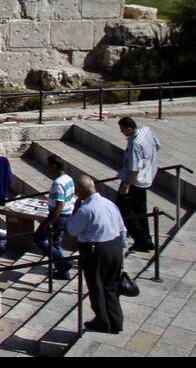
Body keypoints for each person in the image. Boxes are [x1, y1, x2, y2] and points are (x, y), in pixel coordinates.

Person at [65, 175, 126, 334]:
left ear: (80, 190)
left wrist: (75, 210)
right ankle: (116, 320)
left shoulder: (86, 209)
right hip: (115, 246)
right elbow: (121, 228)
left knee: (96, 285)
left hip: (96, 250)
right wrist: (122, 247)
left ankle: (102, 321)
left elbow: (72, 229)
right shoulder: (109, 204)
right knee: (111, 285)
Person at [117, 116, 158, 253]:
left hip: (135, 180)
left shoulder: (135, 144)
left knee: (127, 210)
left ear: (129, 128)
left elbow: (134, 169)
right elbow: (157, 146)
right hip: (146, 176)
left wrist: (126, 185)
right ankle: (145, 239)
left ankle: (141, 239)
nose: (122, 132)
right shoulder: (146, 131)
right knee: (140, 211)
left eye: (123, 129)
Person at [35, 155, 75, 278]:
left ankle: (63, 262)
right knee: (56, 243)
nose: (48, 168)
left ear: (54, 166)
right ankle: (62, 271)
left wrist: (50, 221)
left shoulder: (58, 183)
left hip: (58, 216)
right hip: (66, 214)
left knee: (39, 239)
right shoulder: (69, 179)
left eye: (49, 166)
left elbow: (59, 205)